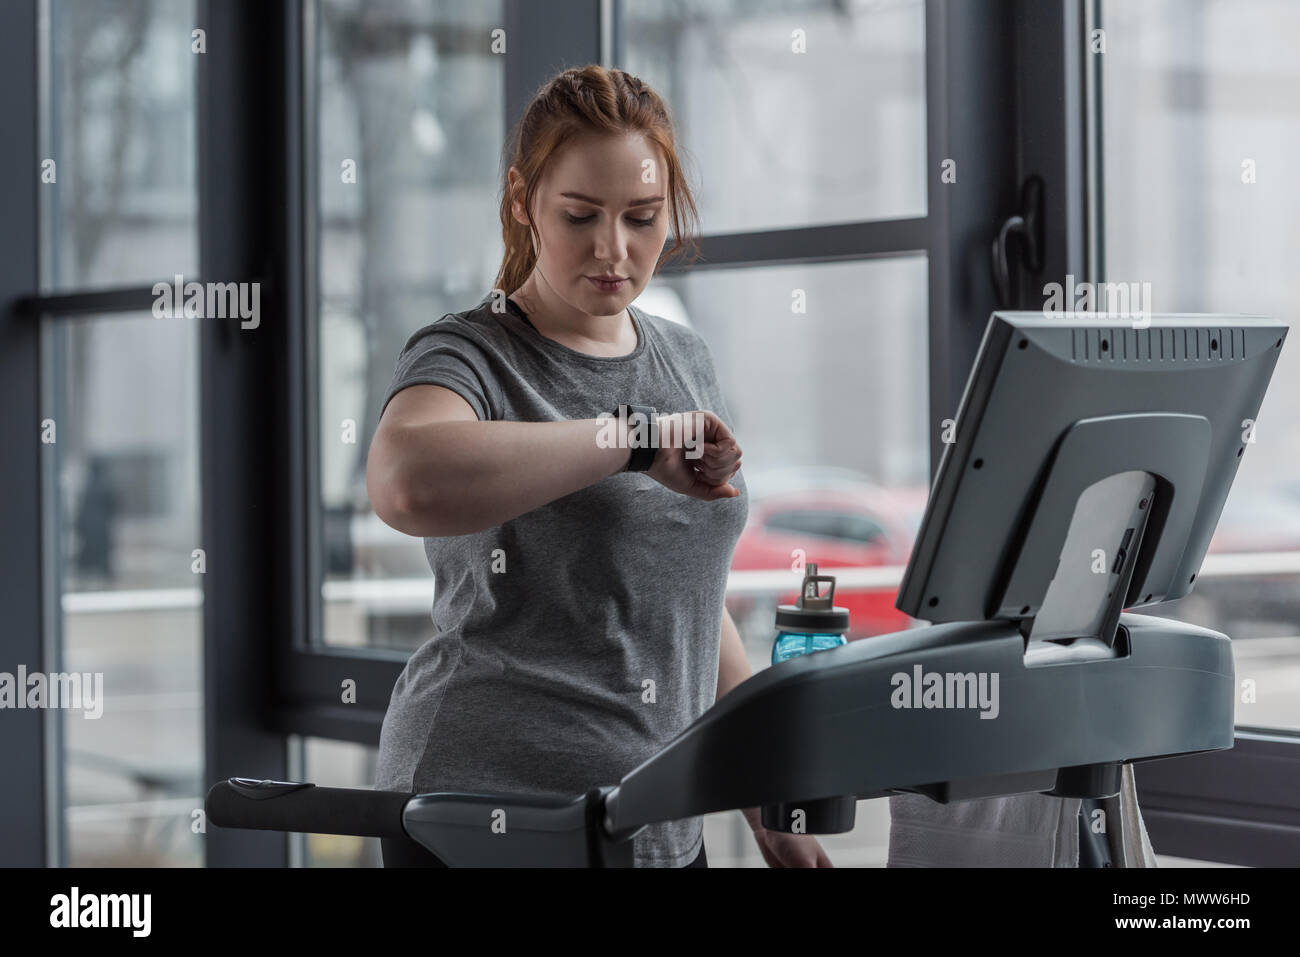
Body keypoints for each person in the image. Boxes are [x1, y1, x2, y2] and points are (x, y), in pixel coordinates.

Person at [367, 65, 831, 868]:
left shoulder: (684, 357)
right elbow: (405, 479)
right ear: (523, 201)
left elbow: (694, 591)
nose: (614, 250)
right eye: (579, 215)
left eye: (643, 218)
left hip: (656, 820)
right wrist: (637, 442)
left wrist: (766, 802)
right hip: (489, 815)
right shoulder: (471, 352)